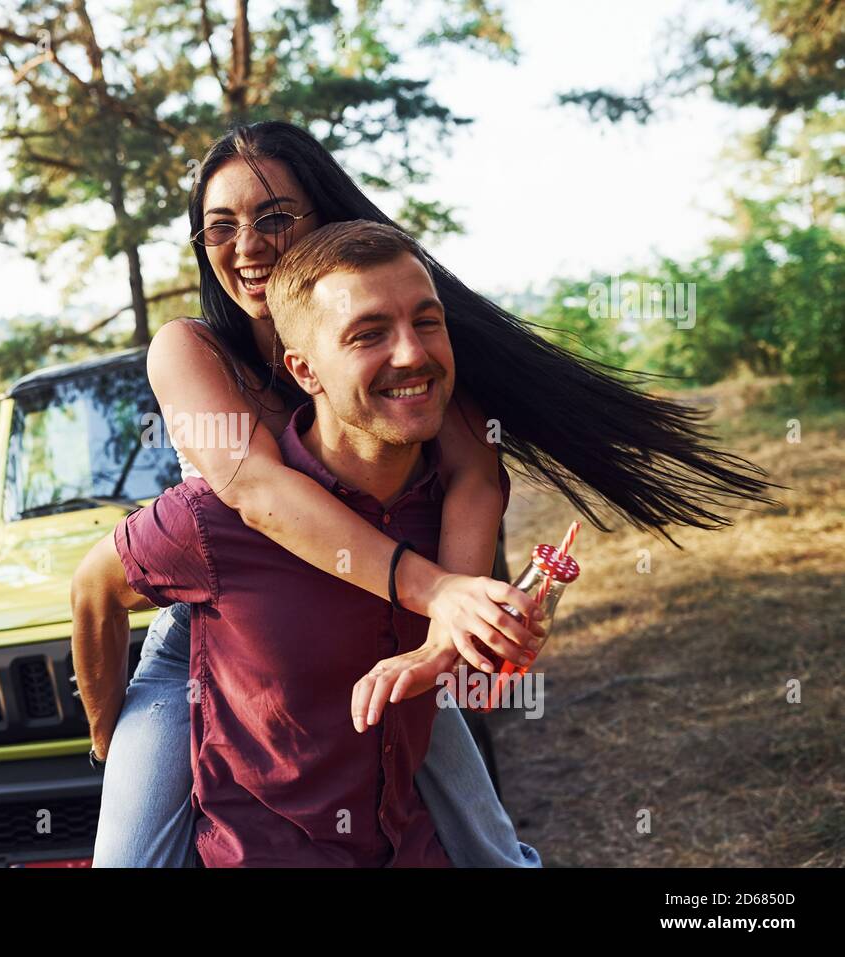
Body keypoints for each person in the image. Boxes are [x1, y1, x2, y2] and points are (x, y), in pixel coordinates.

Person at [75, 121, 773, 868]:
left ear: (324, 217)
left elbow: (475, 475)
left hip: (385, 618)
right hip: (228, 634)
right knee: (131, 856)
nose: (245, 244)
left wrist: (452, 629)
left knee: (489, 849)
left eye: (274, 217)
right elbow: (253, 486)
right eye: (219, 226)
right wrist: (437, 588)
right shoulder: (191, 349)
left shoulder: (404, 332)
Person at [76, 221, 498, 865]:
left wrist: (483, 631)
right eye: (368, 334)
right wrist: (106, 732)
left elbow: (479, 494)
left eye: (276, 219)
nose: (250, 245)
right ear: (303, 369)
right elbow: (95, 586)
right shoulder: (213, 514)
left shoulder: (446, 489)